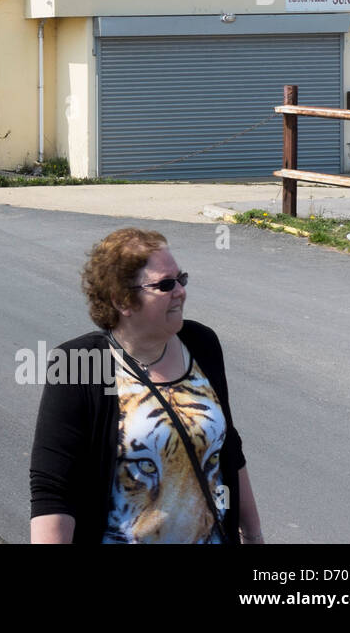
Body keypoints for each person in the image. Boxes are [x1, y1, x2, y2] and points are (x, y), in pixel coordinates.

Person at [29, 228, 264, 544]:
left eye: (181, 279)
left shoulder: (200, 343)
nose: (180, 291)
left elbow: (229, 449)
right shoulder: (79, 363)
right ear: (123, 300)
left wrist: (253, 534)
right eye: (166, 284)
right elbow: (53, 489)